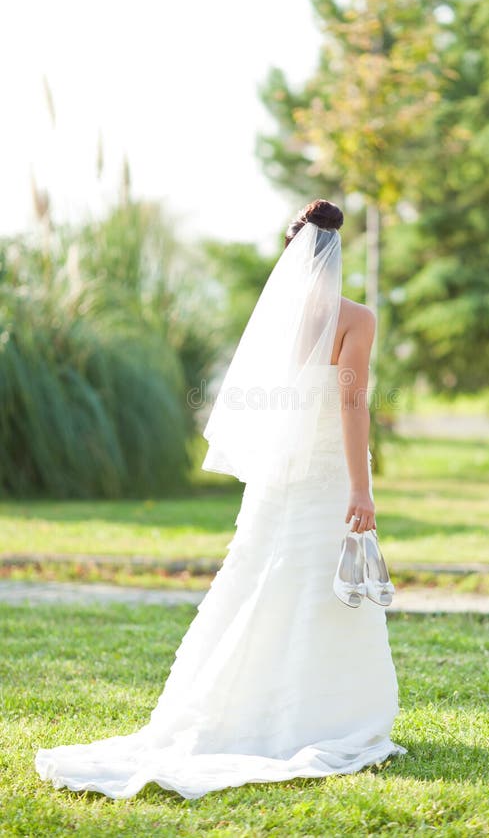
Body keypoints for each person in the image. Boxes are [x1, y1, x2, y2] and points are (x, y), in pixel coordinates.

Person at [34, 199, 407, 800]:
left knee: (257, 582)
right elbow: (351, 403)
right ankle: (321, 717)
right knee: (320, 588)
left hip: (279, 480)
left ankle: (244, 708)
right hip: (329, 475)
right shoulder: (356, 319)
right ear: (338, 255)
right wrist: (361, 488)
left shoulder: (275, 322)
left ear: (290, 255)